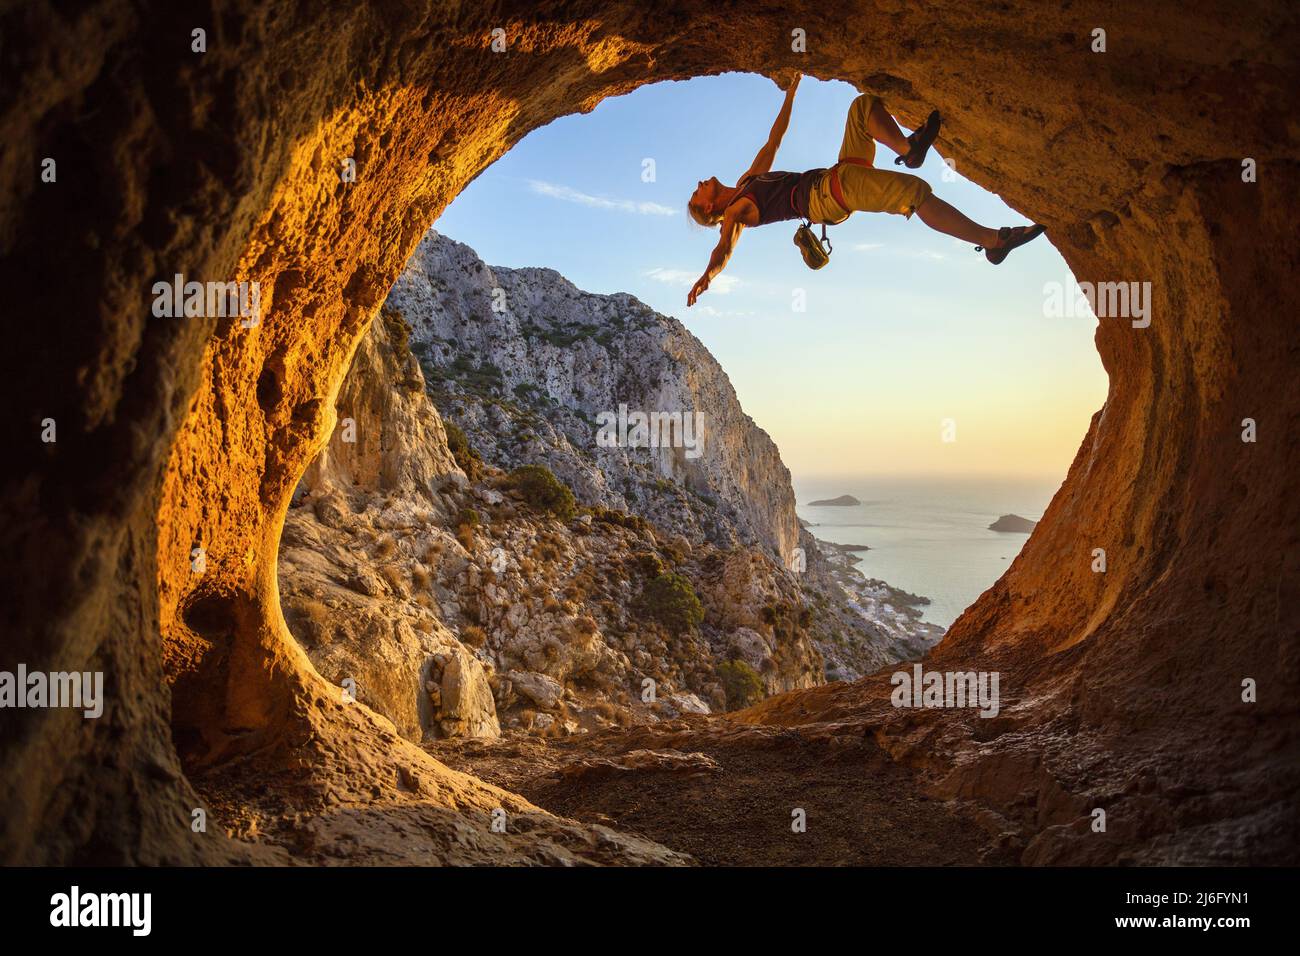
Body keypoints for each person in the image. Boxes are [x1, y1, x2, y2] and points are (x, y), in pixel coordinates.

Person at [686, 73, 1046, 306]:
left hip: (834, 174)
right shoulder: (736, 213)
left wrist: (792, 91)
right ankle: (993, 242)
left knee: (861, 109)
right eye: (696, 195)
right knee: (916, 193)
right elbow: (724, 251)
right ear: (709, 209)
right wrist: (707, 277)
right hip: (829, 194)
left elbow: (774, 139)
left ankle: (909, 150)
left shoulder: (749, 180)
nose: (699, 185)